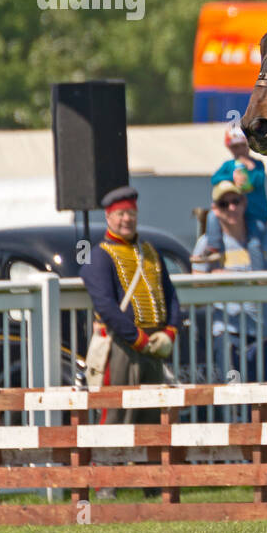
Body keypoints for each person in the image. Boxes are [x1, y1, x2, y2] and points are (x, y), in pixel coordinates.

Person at [80, 185, 185, 499]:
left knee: (152, 417)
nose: (127, 219)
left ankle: (152, 482)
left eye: (131, 214)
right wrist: (137, 339)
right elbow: (107, 307)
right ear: (109, 217)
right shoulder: (100, 257)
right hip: (122, 348)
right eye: (120, 214)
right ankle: (105, 484)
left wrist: (169, 333)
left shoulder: (150, 253)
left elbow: (171, 297)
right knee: (115, 414)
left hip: (154, 345)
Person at [191, 181, 267, 386]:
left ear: (244, 203)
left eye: (236, 201)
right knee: (234, 402)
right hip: (227, 335)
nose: (232, 208)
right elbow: (195, 286)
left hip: (263, 334)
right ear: (214, 209)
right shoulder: (207, 244)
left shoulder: (264, 237)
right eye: (224, 204)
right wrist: (219, 278)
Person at [202, 125, 267, 263]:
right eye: (235, 147)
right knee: (212, 216)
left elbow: (257, 181)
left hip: (255, 214)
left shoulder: (257, 165)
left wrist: (249, 172)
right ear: (230, 148)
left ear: (249, 145)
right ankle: (213, 248)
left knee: (254, 243)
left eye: (242, 145)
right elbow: (214, 178)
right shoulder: (229, 166)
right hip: (234, 212)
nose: (239, 150)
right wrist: (231, 178)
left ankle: (259, 276)